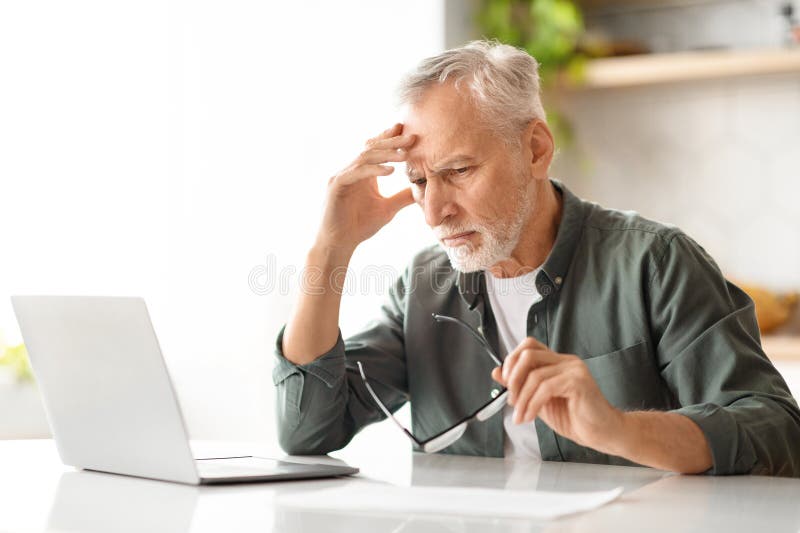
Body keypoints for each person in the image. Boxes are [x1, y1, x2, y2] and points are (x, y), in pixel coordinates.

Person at [272, 40, 800, 476]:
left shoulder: (654, 263)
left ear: (535, 150)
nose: (434, 212)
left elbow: (777, 430)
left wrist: (619, 429)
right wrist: (331, 248)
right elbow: (307, 429)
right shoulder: (424, 284)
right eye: (417, 180)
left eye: (458, 171)